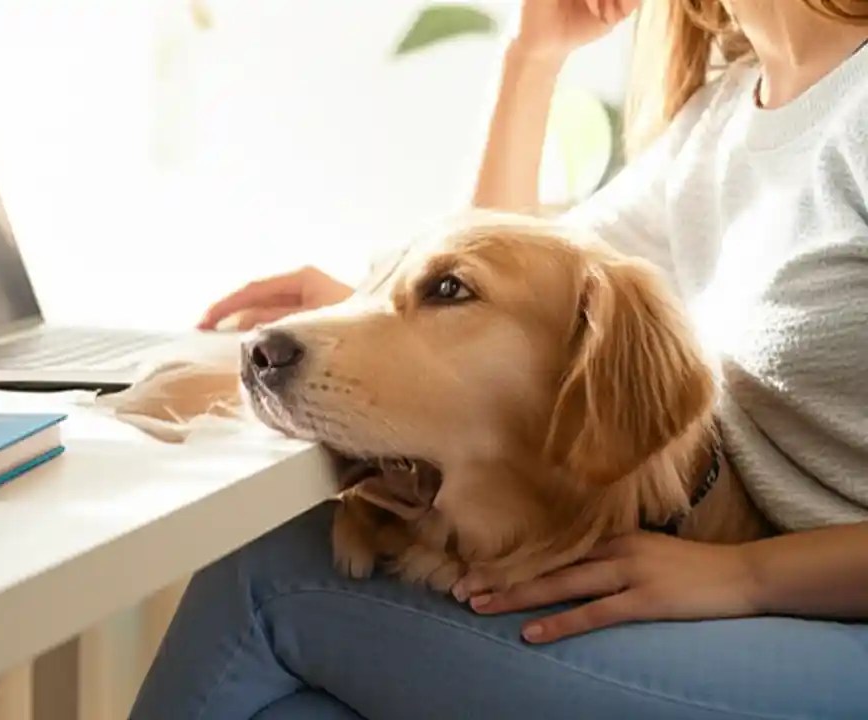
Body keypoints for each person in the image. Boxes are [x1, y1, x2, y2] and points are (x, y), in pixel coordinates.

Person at [129, 0, 868, 717]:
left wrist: (744, 576)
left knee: (268, 581)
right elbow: (515, 280)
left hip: (828, 622)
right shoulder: (726, 120)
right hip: (780, 604)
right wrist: (533, 60)